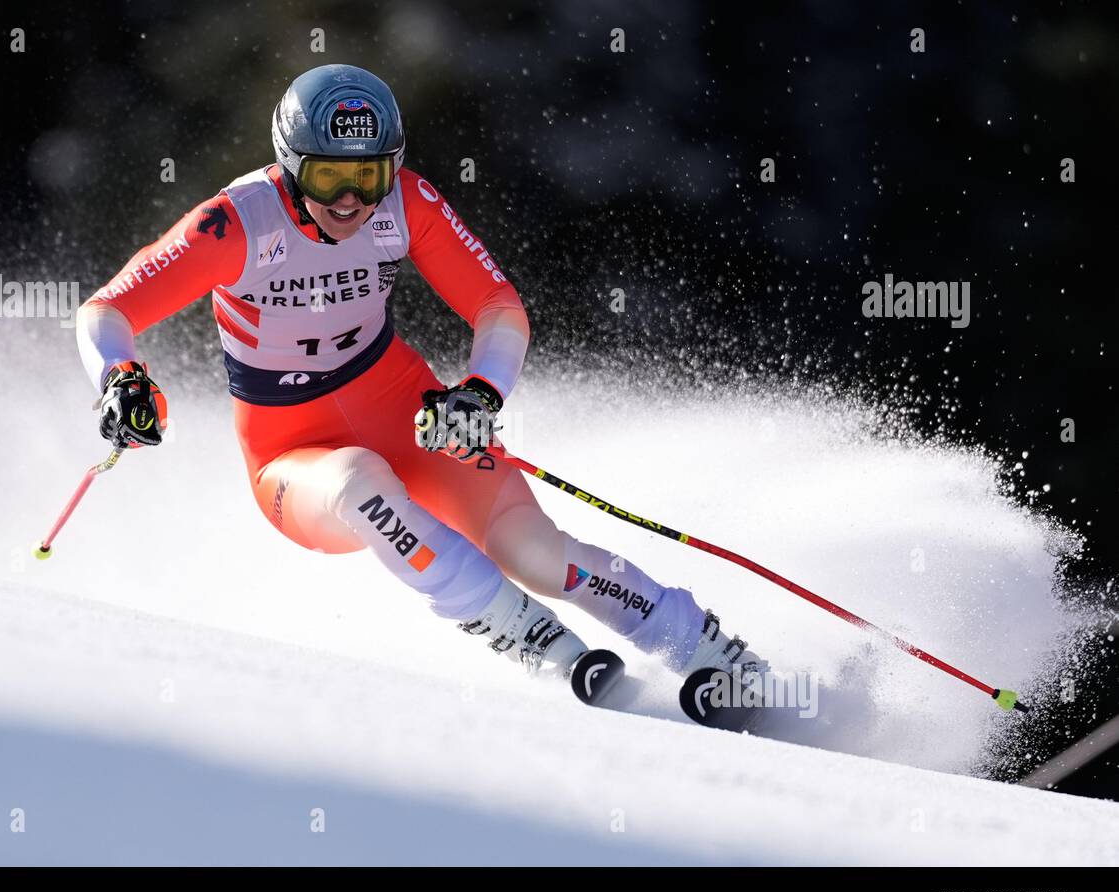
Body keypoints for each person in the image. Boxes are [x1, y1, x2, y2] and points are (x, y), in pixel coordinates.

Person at [77, 63, 769, 687]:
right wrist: (120, 378)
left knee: (535, 552)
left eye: (369, 176)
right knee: (358, 484)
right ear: (289, 165)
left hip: (403, 407)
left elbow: (497, 305)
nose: (351, 201)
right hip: (292, 454)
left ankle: (713, 653)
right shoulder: (234, 225)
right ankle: (528, 639)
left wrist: (479, 393)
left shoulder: (407, 202)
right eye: (327, 178)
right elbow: (108, 310)